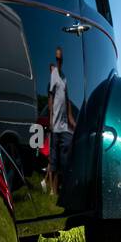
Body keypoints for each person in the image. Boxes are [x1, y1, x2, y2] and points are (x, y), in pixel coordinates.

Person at [46, 46, 75, 195]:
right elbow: (50, 96)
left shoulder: (64, 77)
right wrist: (50, 119)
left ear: (62, 60)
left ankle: (63, 188)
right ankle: (53, 190)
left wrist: (72, 121)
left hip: (64, 126)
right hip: (55, 125)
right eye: (56, 58)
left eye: (60, 59)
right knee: (54, 159)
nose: (58, 61)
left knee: (65, 158)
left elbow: (68, 100)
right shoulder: (54, 75)